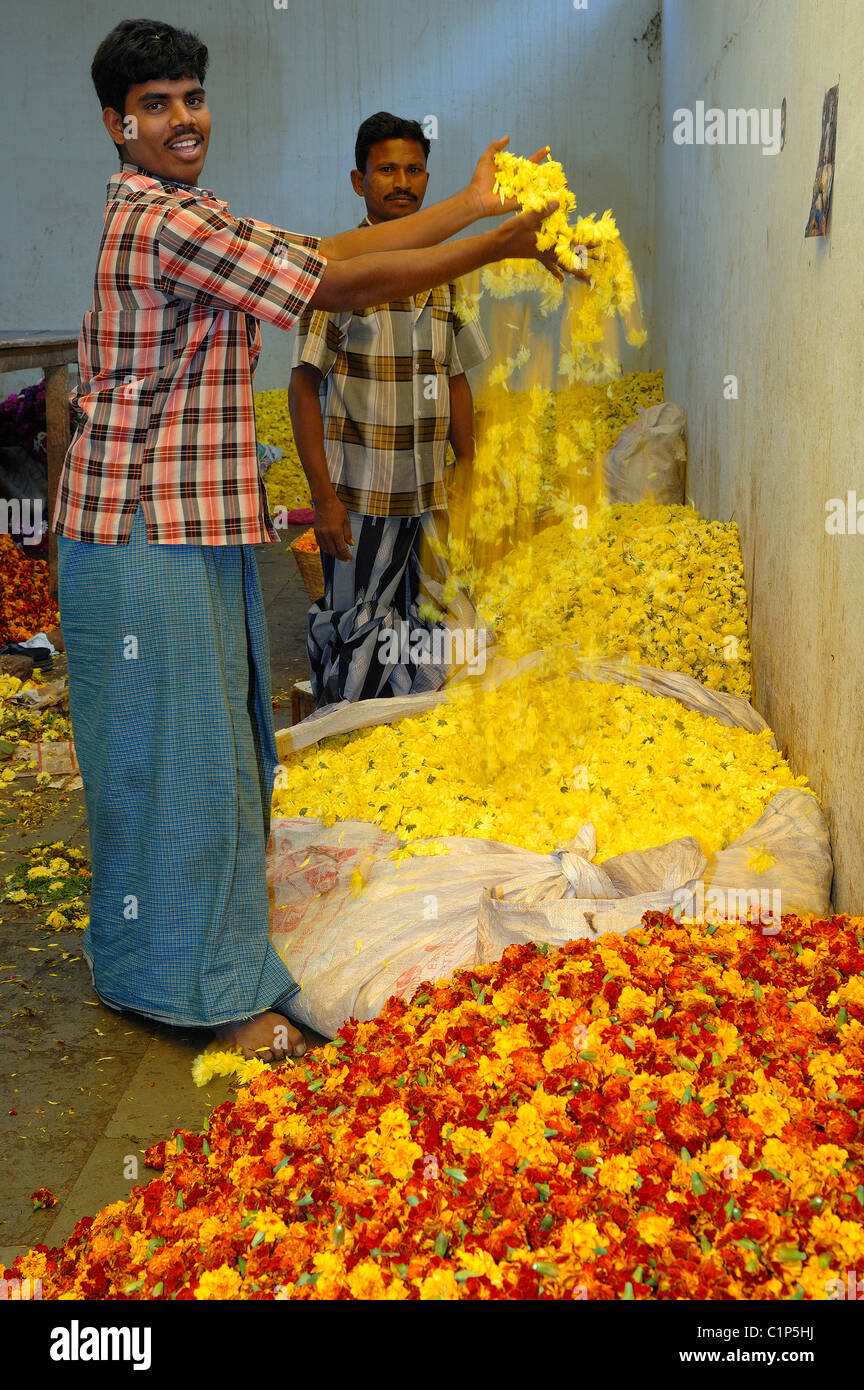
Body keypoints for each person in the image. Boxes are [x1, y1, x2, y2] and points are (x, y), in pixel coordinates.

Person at [53, 17, 575, 1063]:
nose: (183, 118)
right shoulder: (159, 223)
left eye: (191, 97)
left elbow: (314, 250)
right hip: (139, 527)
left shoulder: (189, 211)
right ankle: (204, 994)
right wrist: (500, 244)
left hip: (186, 526)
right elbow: (334, 288)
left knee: (212, 752)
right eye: (156, 105)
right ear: (117, 125)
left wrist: (468, 206)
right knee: (182, 763)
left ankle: (181, 961)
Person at [290, 112, 488, 704]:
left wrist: (469, 467)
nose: (401, 182)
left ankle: (415, 740)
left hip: (431, 495)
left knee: (437, 622)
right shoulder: (337, 275)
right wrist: (323, 500)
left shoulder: (448, 274)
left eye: (413, 169)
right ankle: (350, 740)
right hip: (361, 501)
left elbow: (455, 378)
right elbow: (303, 389)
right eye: (386, 170)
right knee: (358, 624)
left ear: (428, 178)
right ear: (359, 181)